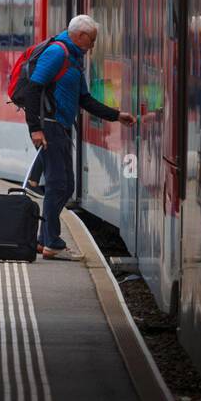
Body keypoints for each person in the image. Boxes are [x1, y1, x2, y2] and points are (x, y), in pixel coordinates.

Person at [23, 14, 136, 259]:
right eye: (92, 40)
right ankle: (52, 242)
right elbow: (34, 88)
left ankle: (45, 240)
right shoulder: (58, 53)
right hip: (49, 126)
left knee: (66, 186)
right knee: (58, 185)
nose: (93, 45)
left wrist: (117, 116)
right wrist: (35, 128)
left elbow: (84, 99)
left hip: (60, 127)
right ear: (80, 36)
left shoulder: (74, 58)